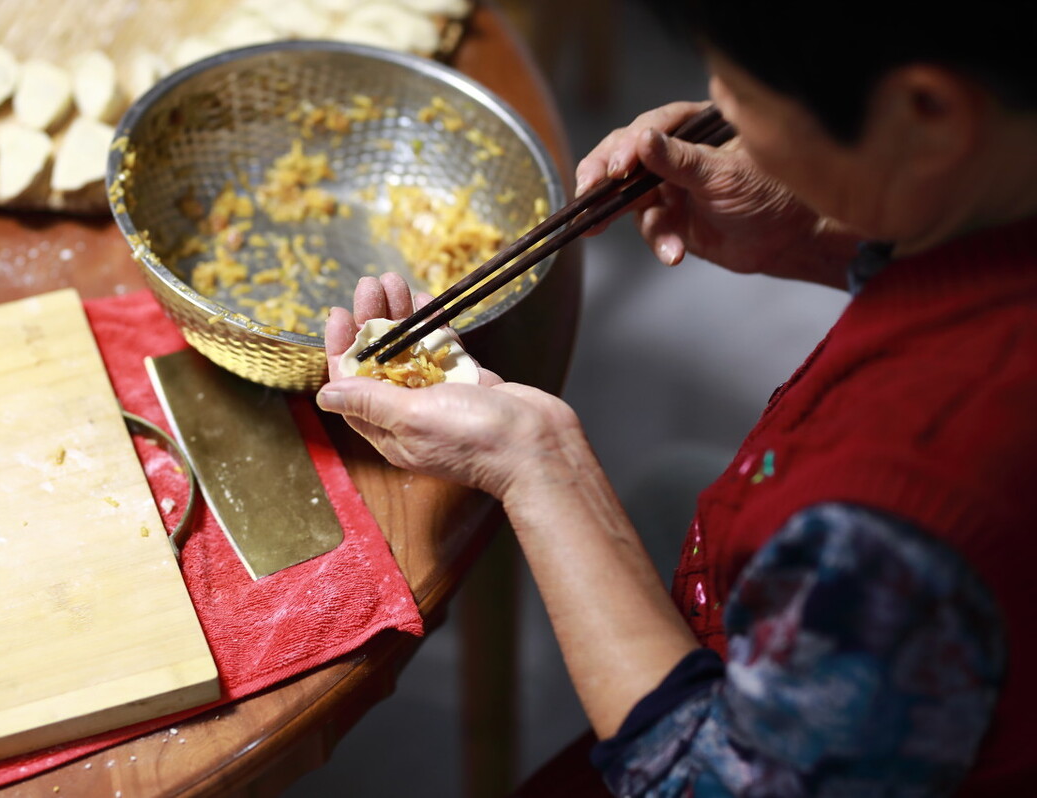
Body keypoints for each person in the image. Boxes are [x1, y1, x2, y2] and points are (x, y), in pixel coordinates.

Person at [317, 1, 1037, 794]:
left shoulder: (895, 516)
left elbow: (707, 780)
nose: (716, 115)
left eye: (741, 94)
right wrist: (825, 234)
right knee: (666, 489)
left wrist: (540, 464)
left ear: (926, 115)